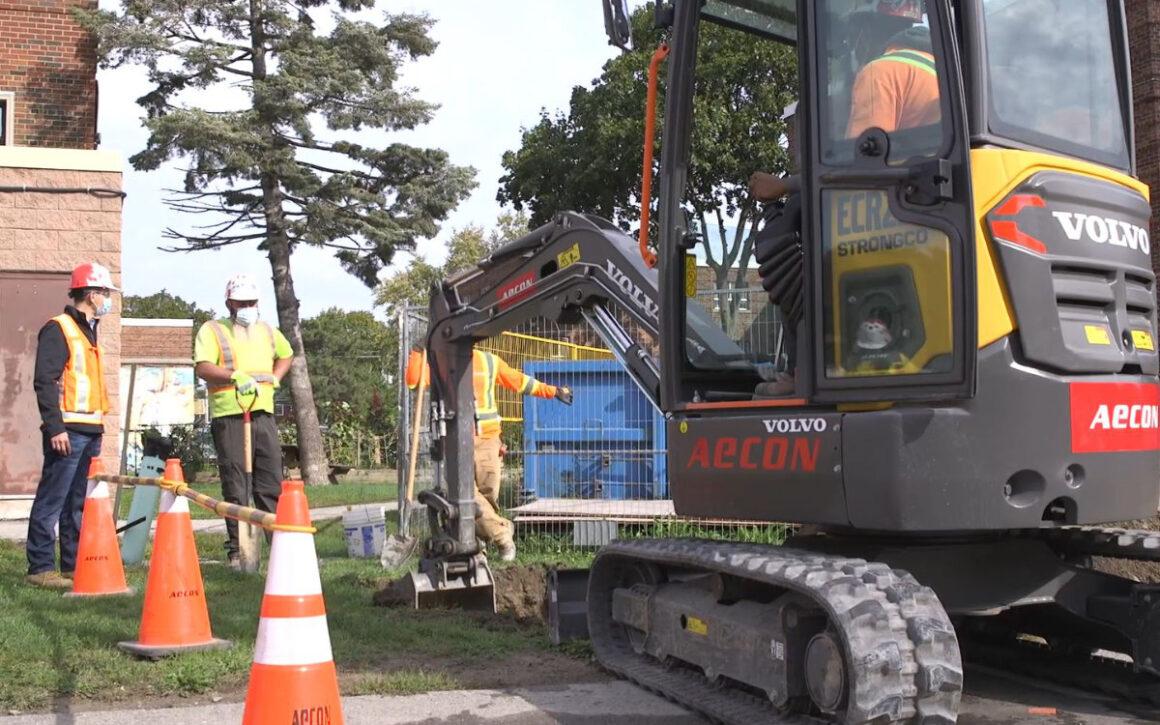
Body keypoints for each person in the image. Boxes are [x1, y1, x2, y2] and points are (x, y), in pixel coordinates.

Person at [407, 346, 573, 561]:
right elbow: (414, 381)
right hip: (456, 442)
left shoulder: (488, 361)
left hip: (488, 440)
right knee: (467, 496)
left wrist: (552, 391)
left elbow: (519, 382)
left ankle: (478, 547)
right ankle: (502, 534)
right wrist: (418, 351)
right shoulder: (442, 362)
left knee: (489, 496)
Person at [27, 263, 118, 588]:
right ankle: (39, 568)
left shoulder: (88, 329)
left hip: (89, 429)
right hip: (68, 430)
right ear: (91, 294)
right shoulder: (60, 328)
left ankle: (71, 564)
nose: (108, 299)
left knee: (76, 502)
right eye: (105, 293)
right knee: (52, 498)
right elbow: (44, 381)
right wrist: (56, 428)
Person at [193, 273, 293, 568]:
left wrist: (276, 378)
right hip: (230, 415)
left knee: (271, 481)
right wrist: (233, 376)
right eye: (241, 303)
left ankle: (278, 547)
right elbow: (203, 367)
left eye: (251, 302)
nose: (247, 307)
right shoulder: (212, 330)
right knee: (237, 484)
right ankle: (238, 550)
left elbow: (287, 355)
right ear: (230, 304)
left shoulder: (267, 331)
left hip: (262, 413)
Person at [843, 0, 939, 139]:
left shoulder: (878, 73)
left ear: (865, 30)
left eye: (852, 34)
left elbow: (865, 152)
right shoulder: (937, 66)